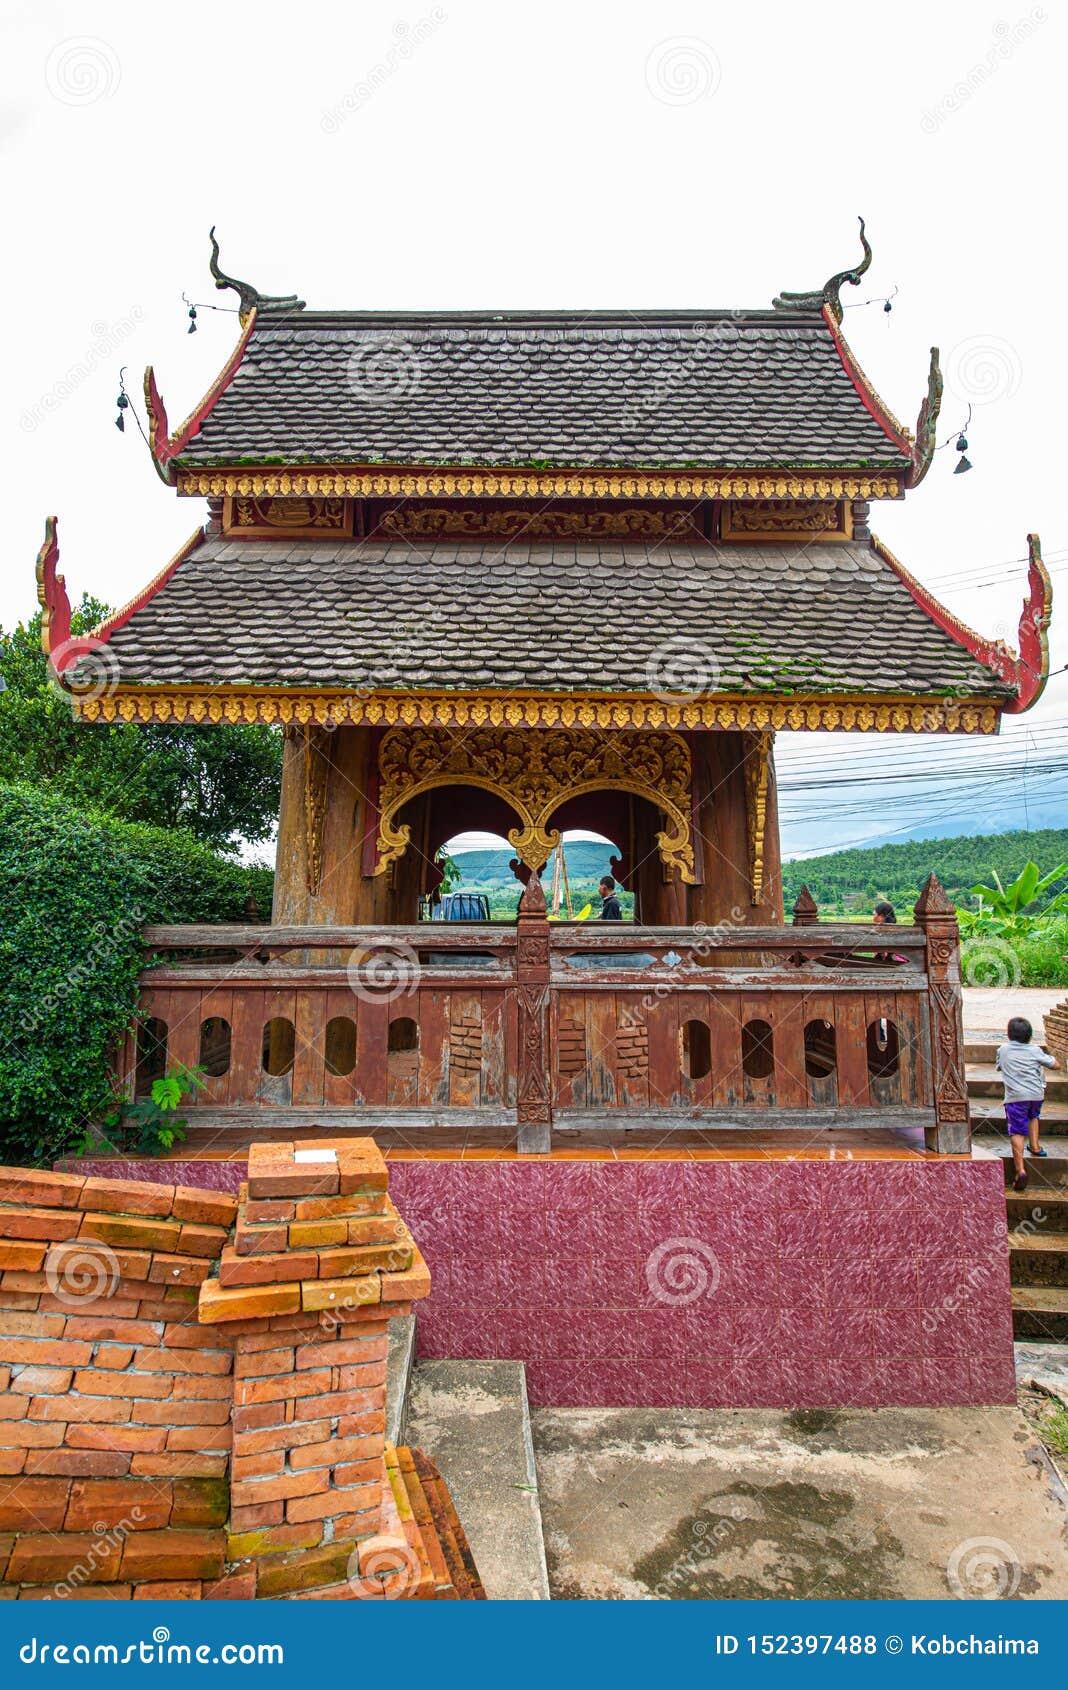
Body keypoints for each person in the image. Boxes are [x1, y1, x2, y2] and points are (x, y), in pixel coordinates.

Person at [995, 1016, 1057, 1191]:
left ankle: (1020, 1170)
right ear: (1029, 1035)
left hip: (1016, 1098)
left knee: (1017, 1131)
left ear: (1009, 1034)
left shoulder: (1003, 1050)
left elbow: (999, 1066)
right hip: (1036, 1095)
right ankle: (1035, 1147)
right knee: (1033, 1116)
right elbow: (1055, 1065)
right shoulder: (1035, 1050)